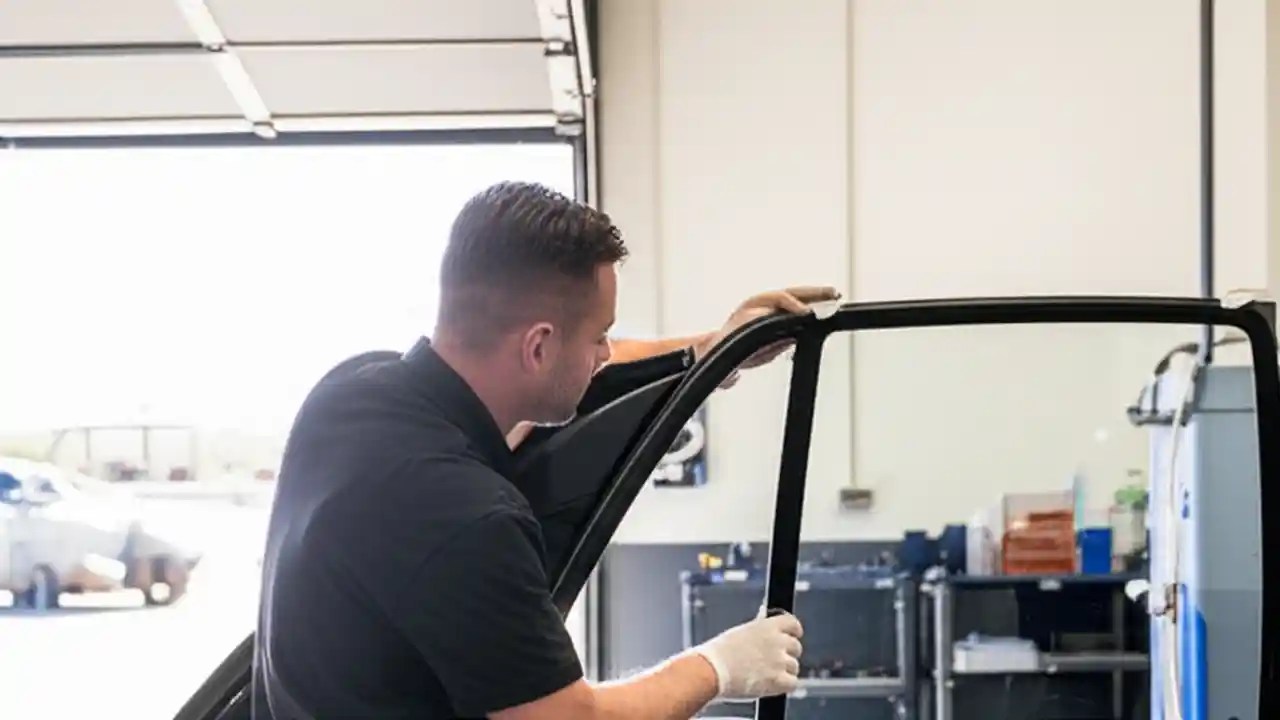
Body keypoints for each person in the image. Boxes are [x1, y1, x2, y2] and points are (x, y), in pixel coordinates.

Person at [252, 180, 841, 720]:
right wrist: (721, 666)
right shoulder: (467, 517)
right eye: (599, 336)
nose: (608, 351)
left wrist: (711, 350)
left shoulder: (351, 393)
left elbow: (583, 375)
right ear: (537, 347)